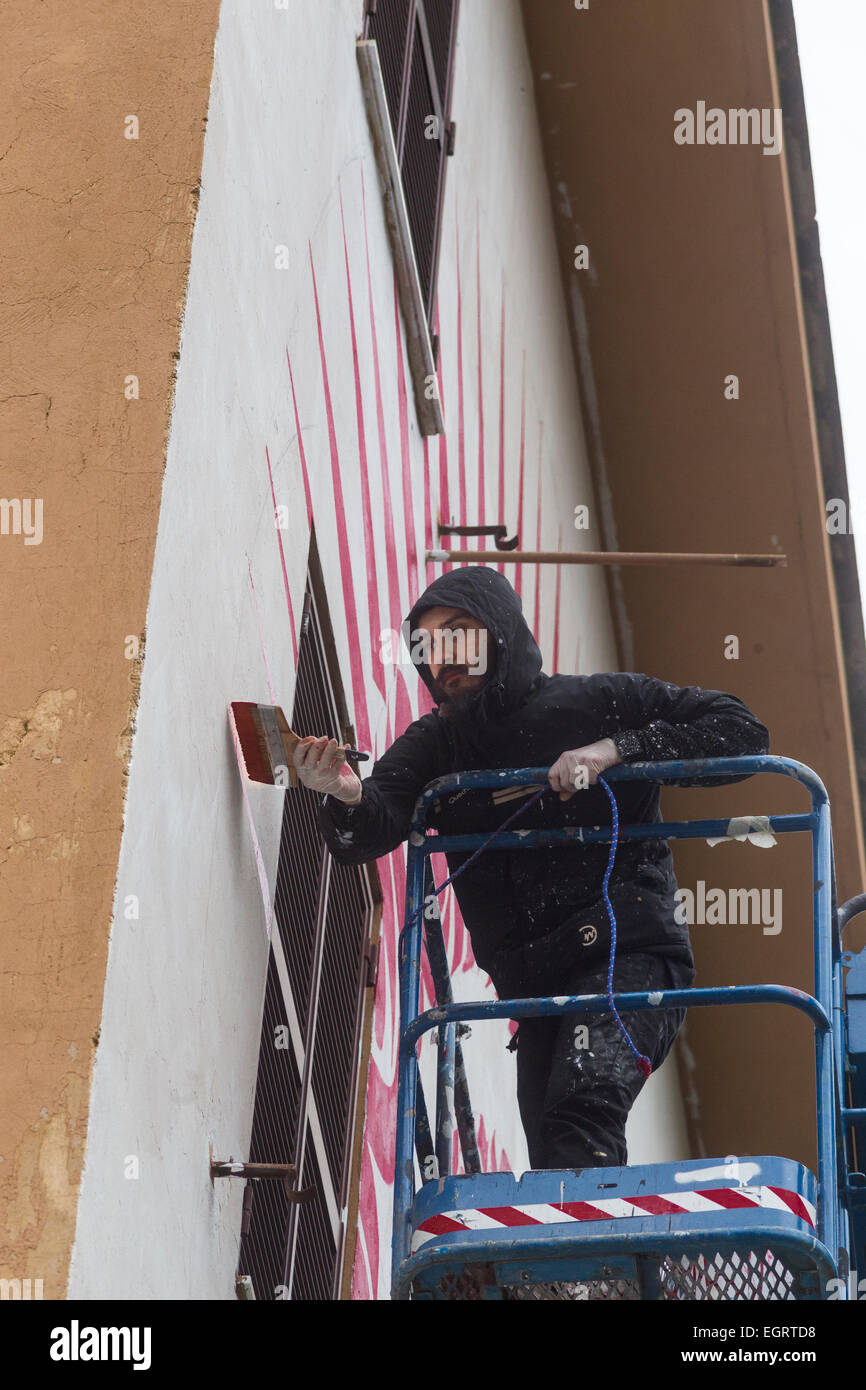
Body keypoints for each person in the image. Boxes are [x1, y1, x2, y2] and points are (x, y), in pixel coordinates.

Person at [293, 566, 770, 1171]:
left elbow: (740, 733)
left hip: (629, 955)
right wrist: (343, 793)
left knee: (581, 1110)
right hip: (536, 990)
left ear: (499, 634)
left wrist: (613, 752)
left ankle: (599, 1265)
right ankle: (595, 1264)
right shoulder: (437, 745)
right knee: (552, 1155)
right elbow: (367, 831)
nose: (443, 660)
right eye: (426, 648)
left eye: (459, 637)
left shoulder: (592, 702)